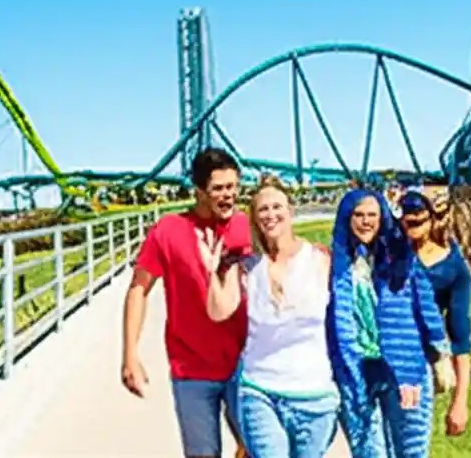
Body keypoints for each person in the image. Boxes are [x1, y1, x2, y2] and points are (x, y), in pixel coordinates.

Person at [122, 148, 252, 458]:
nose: (228, 196)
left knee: (258, 448)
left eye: (233, 187)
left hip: (245, 363)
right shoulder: (167, 230)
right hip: (191, 367)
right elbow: (139, 288)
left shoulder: (246, 226)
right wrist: (130, 355)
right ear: (198, 191)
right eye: (219, 188)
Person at [202, 174, 340, 458]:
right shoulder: (245, 267)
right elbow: (218, 311)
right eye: (262, 209)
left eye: (277, 207)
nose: (270, 214)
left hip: (314, 396)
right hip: (260, 390)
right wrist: (212, 271)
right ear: (254, 219)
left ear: (290, 211)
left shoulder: (321, 260)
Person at [328, 188, 455, 458]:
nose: (365, 221)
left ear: (382, 217)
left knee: (411, 448)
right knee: (369, 450)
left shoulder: (401, 257)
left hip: (404, 366)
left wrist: (440, 353)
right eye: (358, 215)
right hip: (357, 371)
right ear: (347, 219)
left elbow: (426, 304)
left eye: (372, 215)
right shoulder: (336, 265)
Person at [399, 189, 471, 437]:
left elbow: (461, 339)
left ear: (434, 218)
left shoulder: (453, 268)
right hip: (378, 359)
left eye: (418, 216)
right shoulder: (391, 253)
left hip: (419, 366)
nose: (411, 221)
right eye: (406, 214)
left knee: (410, 445)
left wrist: (460, 402)